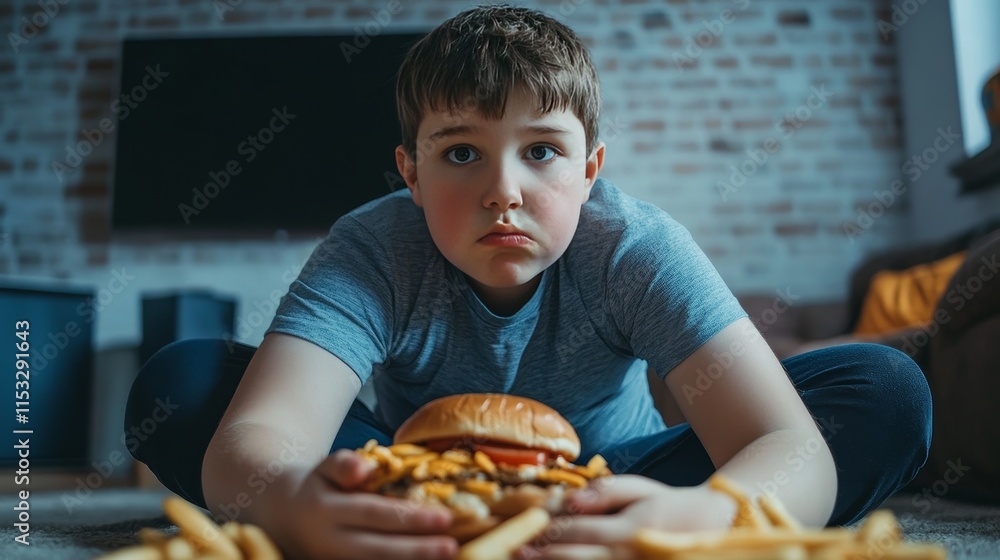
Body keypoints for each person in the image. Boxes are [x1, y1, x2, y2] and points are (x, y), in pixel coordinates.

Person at [125, 5, 932, 559]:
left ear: (590, 171)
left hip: (615, 480)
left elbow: (787, 444)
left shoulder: (634, 247)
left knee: (887, 389)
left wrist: (703, 516)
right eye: (462, 152)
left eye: (541, 151)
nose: (502, 190)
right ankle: (375, 529)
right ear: (410, 172)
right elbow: (256, 440)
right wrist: (297, 504)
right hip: (412, 480)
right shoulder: (373, 248)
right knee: (182, 380)